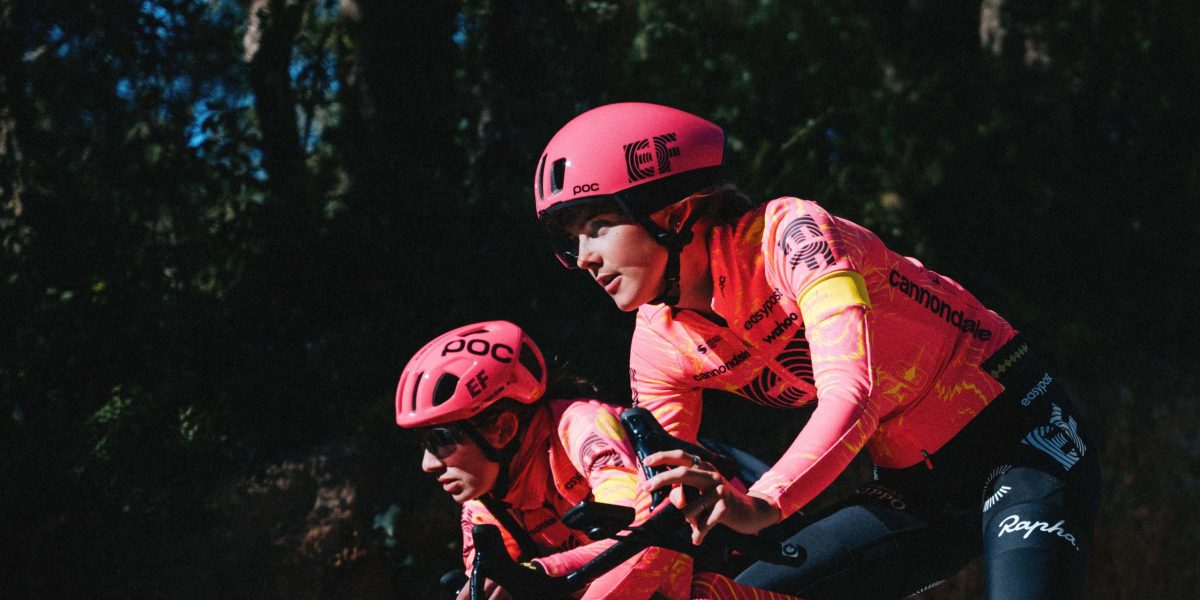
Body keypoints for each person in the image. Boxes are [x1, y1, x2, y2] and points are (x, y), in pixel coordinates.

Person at [531, 102, 1101, 599]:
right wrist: (545, 572)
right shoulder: (658, 344)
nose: (583, 257)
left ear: (674, 212)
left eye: (600, 225)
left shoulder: (792, 236)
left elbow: (854, 393)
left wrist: (761, 504)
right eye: (571, 240)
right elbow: (658, 518)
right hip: (914, 487)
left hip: (1023, 443)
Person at [398, 319, 767, 600]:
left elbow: (643, 535)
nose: (427, 464)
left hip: (747, 554)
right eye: (422, 445)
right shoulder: (483, 504)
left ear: (503, 428)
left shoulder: (582, 426)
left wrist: (540, 570)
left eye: (441, 440)